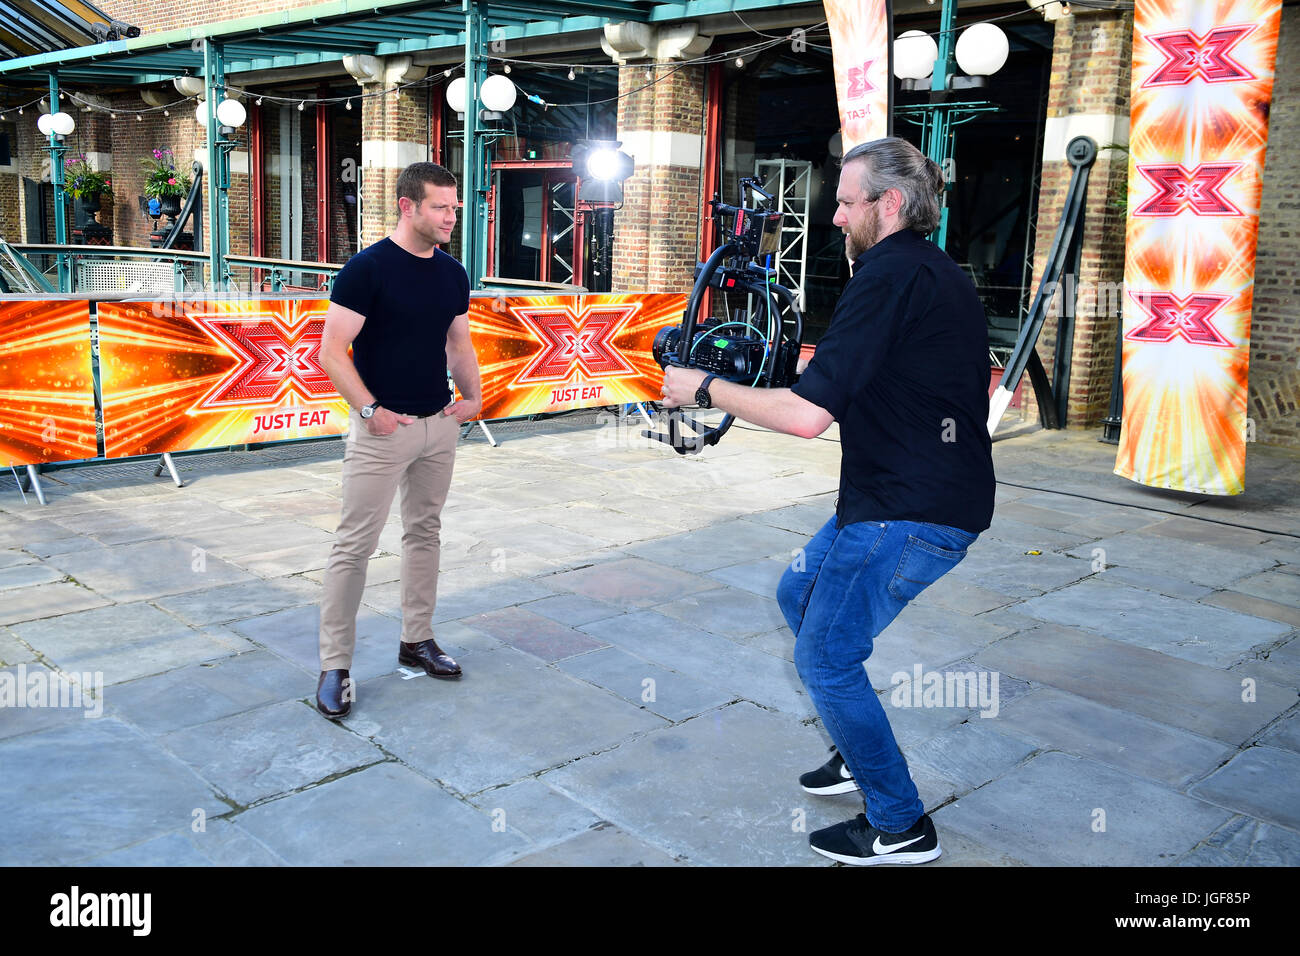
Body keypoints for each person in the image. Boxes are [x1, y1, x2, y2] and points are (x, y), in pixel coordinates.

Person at [662, 137, 995, 864]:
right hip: (900, 496)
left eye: (847, 203)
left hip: (908, 511)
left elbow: (808, 417)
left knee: (826, 658)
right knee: (798, 592)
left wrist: (705, 389)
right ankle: (857, 744)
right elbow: (851, 390)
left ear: (891, 203)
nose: (836, 219)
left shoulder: (890, 273)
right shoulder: (929, 272)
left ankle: (901, 823)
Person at [315, 162, 483, 719]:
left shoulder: (452, 273)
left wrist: (474, 399)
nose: (451, 217)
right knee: (354, 545)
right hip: (383, 431)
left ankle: (417, 640)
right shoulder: (366, 270)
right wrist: (370, 411)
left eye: (454, 208)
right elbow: (332, 352)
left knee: (425, 534)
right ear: (408, 206)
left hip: (439, 425)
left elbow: (458, 344)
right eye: (441, 207)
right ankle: (334, 666)